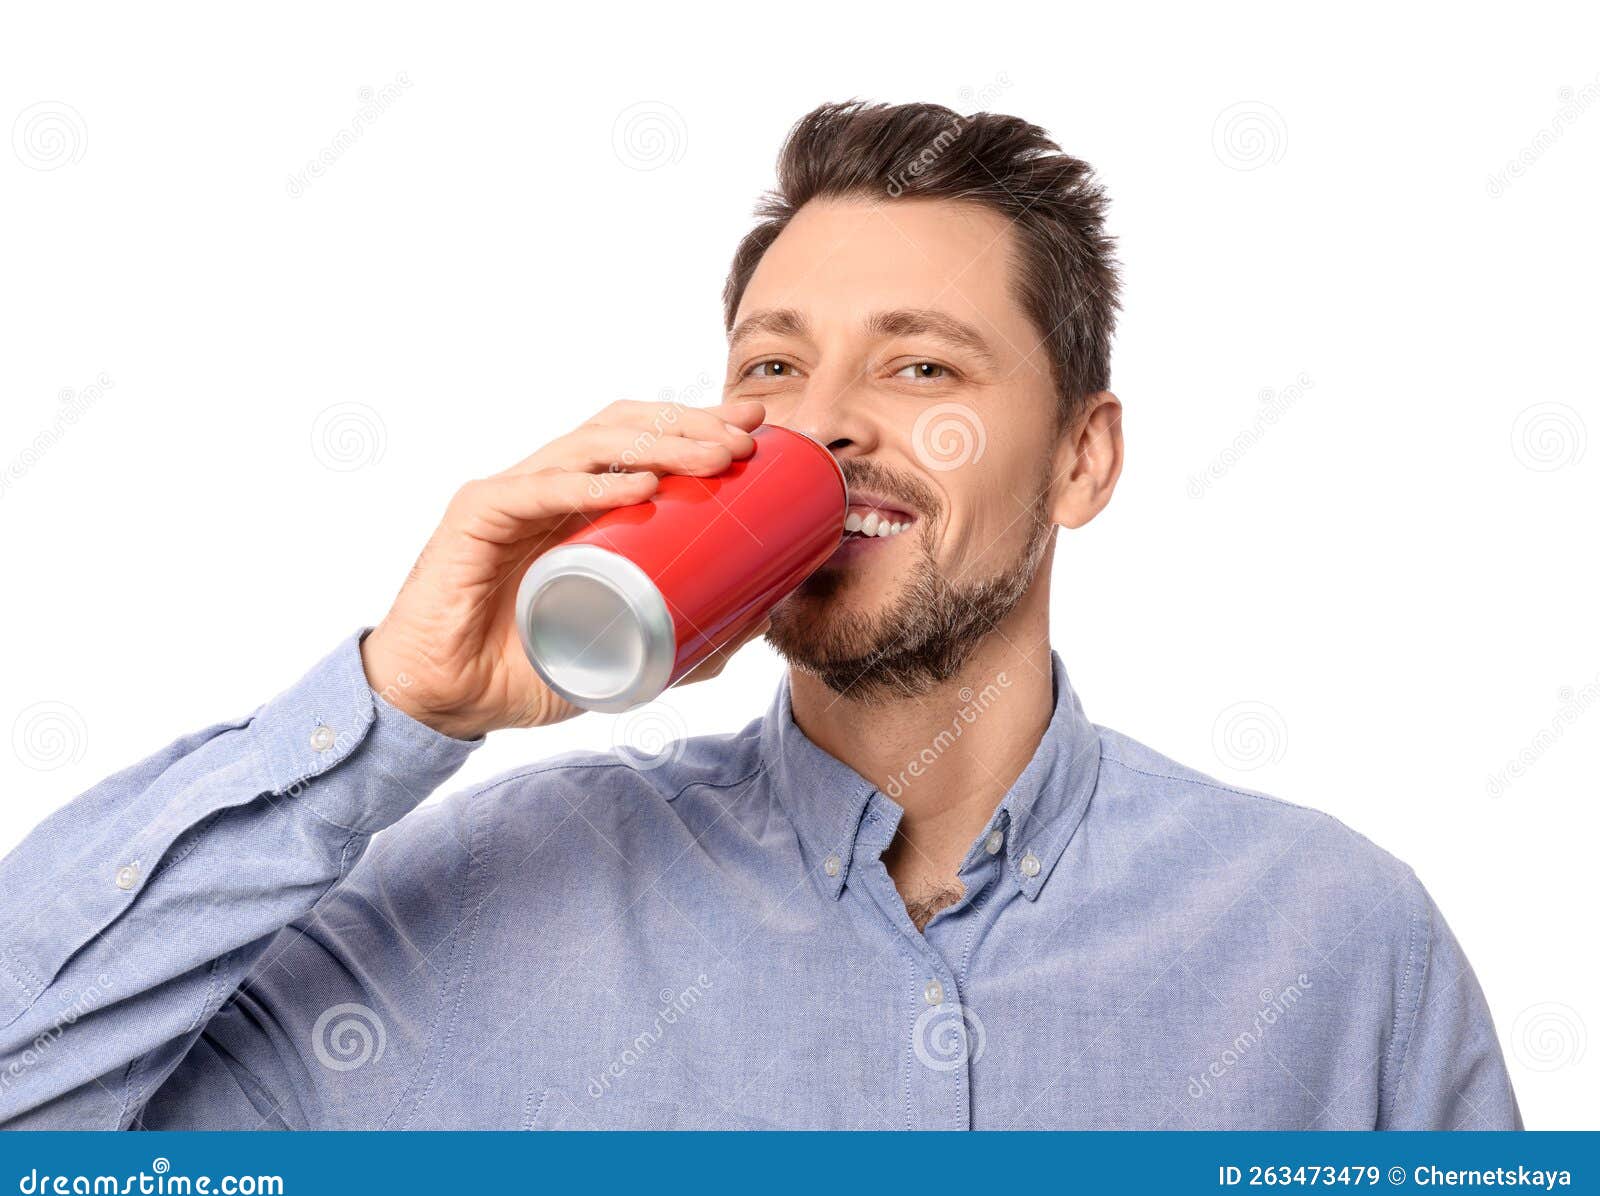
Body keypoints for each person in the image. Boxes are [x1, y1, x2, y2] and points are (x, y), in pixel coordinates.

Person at [0, 101, 1520, 1130]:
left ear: (1082, 457)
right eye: (774, 369)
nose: (831, 428)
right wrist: (399, 707)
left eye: (921, 366)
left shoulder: (1335, 940)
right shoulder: (473, 904)